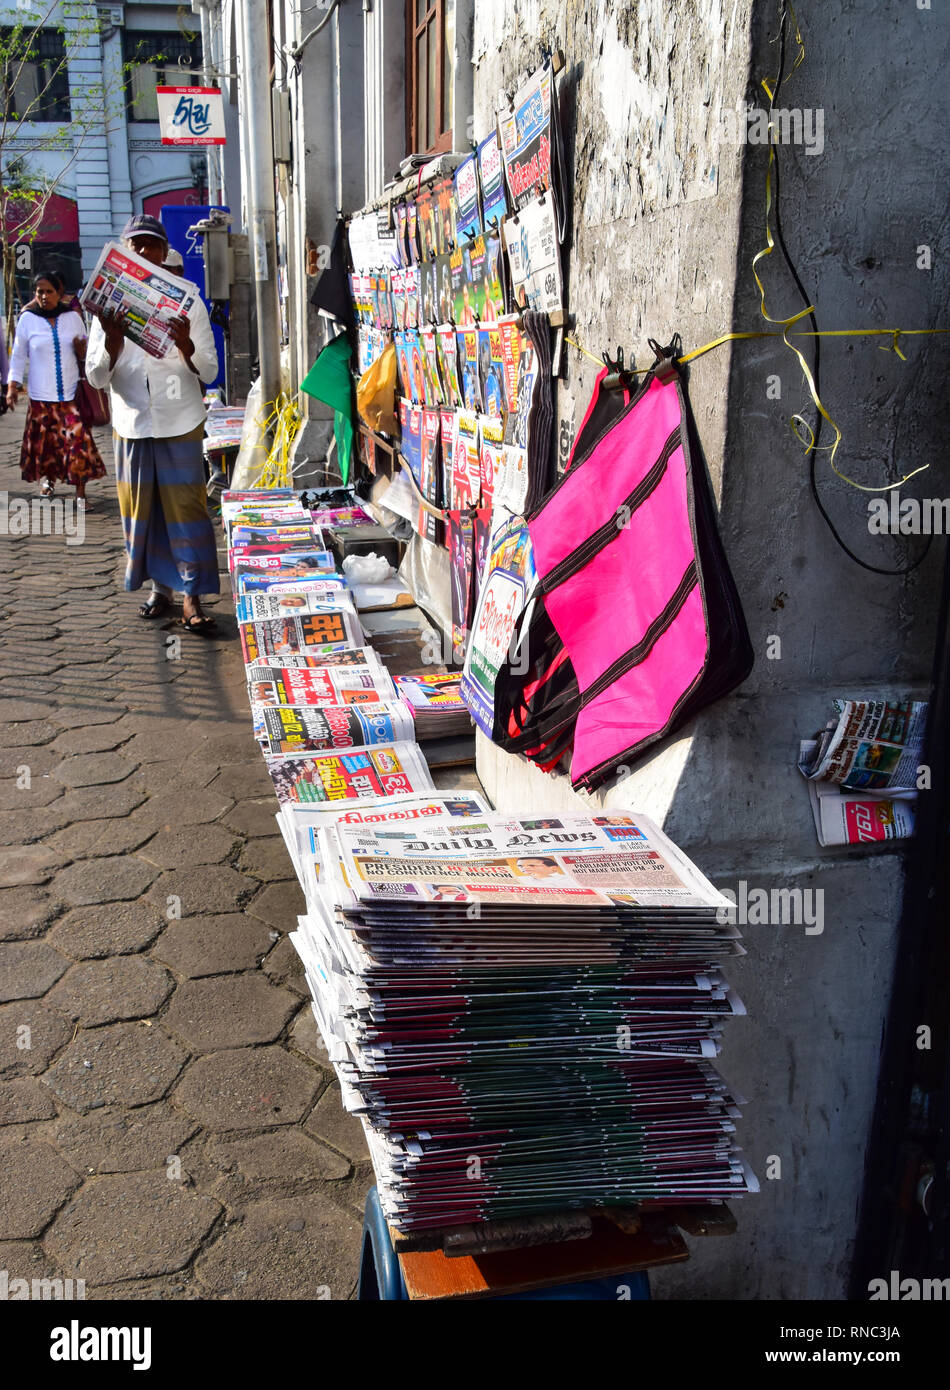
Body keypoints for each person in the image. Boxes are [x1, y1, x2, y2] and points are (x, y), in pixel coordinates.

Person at [85, 215, 220, 633]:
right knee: (142, 513)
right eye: (136, 245)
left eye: (152, 246)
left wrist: (184, 345)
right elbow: (95, 377)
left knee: (187, 512)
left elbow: (210, 371)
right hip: (132, 423)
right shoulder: (105, 309)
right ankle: (160, 590)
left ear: (164, 253)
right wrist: (111, 341)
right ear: (125, 253)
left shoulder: (190, 304)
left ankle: (191, 597)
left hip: (180, 421)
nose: (145, 252)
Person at [5, 271, 105, 505]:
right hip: (41, 395)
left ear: (59, 294)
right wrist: (12, 386)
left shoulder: (73, 317)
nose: (44, 296)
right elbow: (18, 355)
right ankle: (47, 481)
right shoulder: (27, 319)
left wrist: (82, 351)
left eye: (49, 291)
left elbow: (88, 354)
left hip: (70, 395)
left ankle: (80, 494)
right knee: (46, 446)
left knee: (78, 443)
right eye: (40, 291)